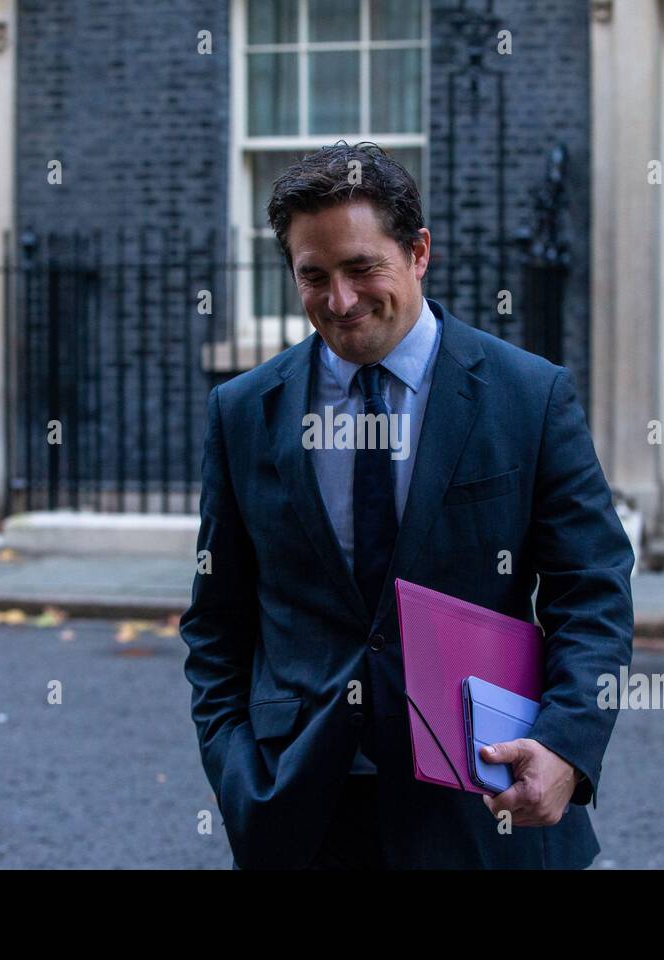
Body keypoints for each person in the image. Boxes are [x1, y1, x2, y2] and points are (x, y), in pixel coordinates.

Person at [180, 141, 634, 869]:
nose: (340, 300)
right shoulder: (242, 411)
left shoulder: (528, 395)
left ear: (419, 252)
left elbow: (594, 592)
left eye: (363, 268)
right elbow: (216, 620)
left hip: (481, 803)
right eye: (313, 276)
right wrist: (236, 772)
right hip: (300, 808)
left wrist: (565, 745)